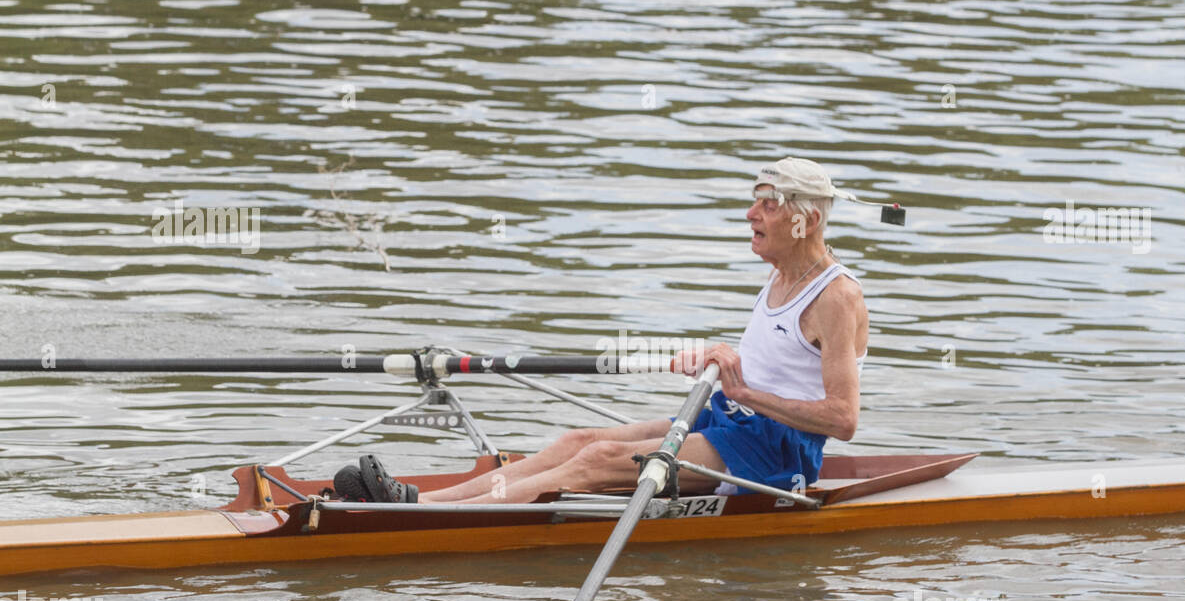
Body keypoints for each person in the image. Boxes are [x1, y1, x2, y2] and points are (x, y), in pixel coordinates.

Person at [332, 157, 868, 505]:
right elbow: (782, 361)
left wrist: (746, 391)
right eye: (755, 199)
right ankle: (423, 502)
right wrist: (720, 361)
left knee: (593, 463)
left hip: (778, 451)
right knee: (577, 440)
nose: (751, 213)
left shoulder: (836, 298)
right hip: (731, 418)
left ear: (807, 222)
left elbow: (842, 419)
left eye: (768, 205)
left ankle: (429, 519)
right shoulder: (781, 270)